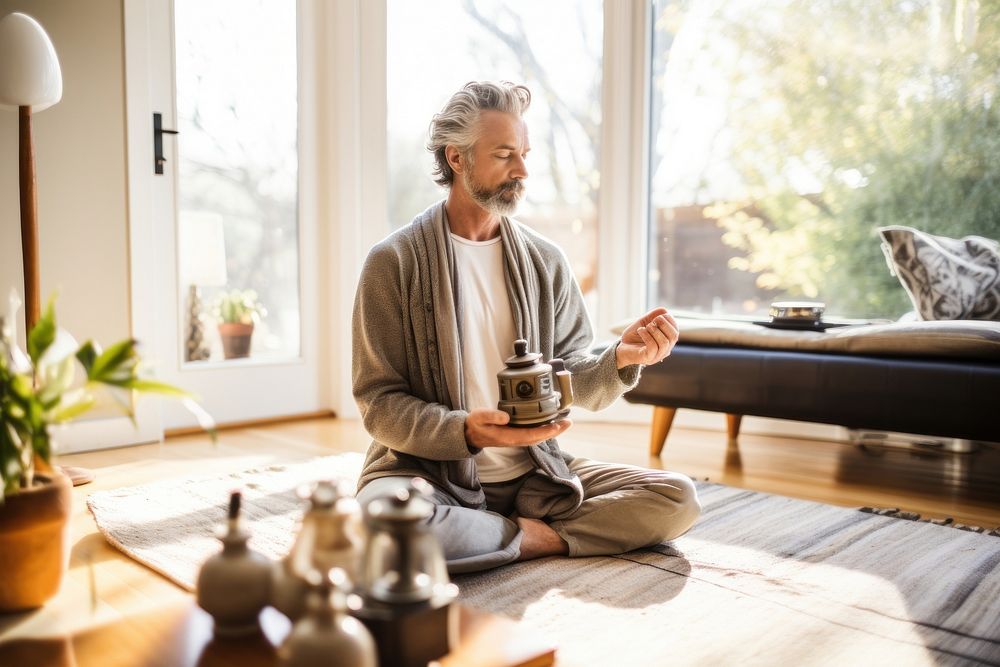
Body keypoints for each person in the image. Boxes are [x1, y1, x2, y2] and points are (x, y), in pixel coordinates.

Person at [353, 81, 700, 573]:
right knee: (382, 525)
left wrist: (620, 358)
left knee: (677, 497)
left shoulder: (545, 260)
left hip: (536, 477)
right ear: (456, 157)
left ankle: (514, 538)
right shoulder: (394, 262)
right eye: (504, 155)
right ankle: (526, 537)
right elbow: (379, 401)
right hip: (425, 473)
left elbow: (571, 374)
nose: (522, 170)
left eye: (524, 154)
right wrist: (463, 431)